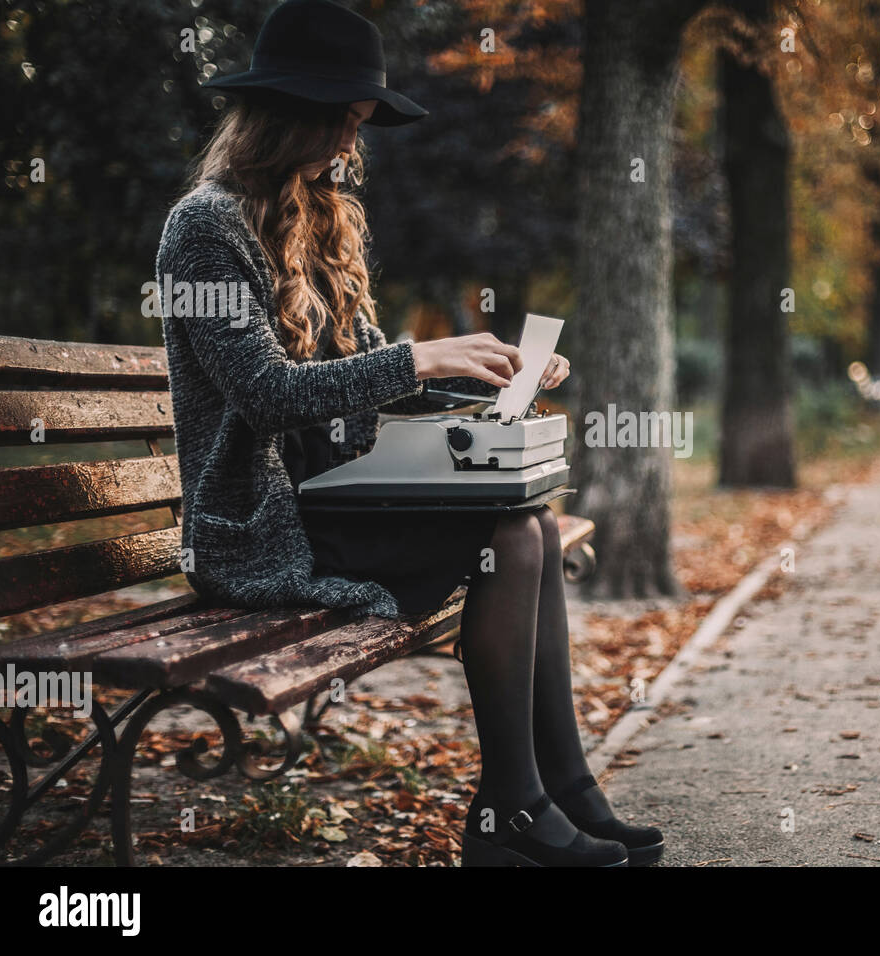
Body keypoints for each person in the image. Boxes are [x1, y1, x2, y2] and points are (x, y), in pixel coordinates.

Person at [155, 0, 660, 867]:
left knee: (530, 522)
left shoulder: (317, 219)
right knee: (512, 531)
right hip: (262, 528)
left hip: (339, 497)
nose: (352, 148)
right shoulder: (205, 228)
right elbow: (268, 394)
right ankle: (515, 809)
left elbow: (368, 378)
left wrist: (473, 373)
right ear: (291, 116)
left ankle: (559, 789)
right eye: (344, 124)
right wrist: (424, 358)